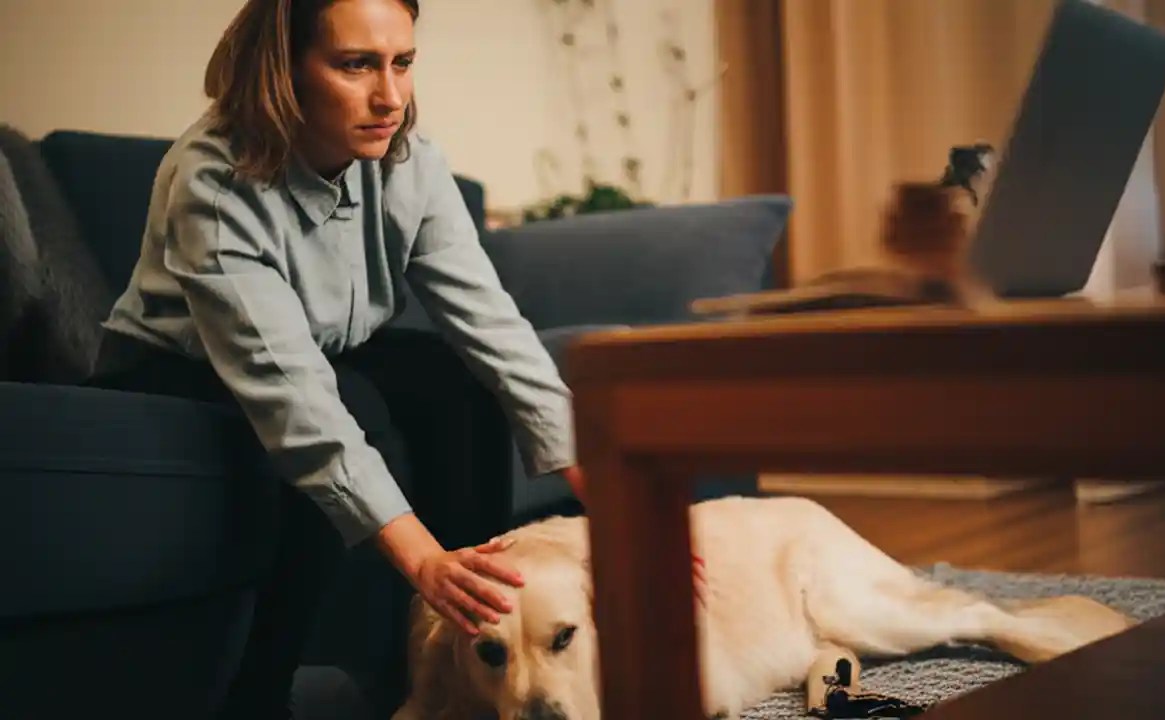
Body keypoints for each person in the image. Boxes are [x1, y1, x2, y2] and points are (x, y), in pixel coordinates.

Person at [83, 0, 706, 717]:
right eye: (356, 65)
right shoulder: (214, 186)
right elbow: (298, 402)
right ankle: (256, 697)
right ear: (283, 69)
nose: (390, 97)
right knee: (342, 413)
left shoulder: (408, 159)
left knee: (453, 382)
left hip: (317, 351)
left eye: (402, 62)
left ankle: (460, 664)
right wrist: (422, 560)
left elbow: (492, 325)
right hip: (170, 369)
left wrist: (615, 493)